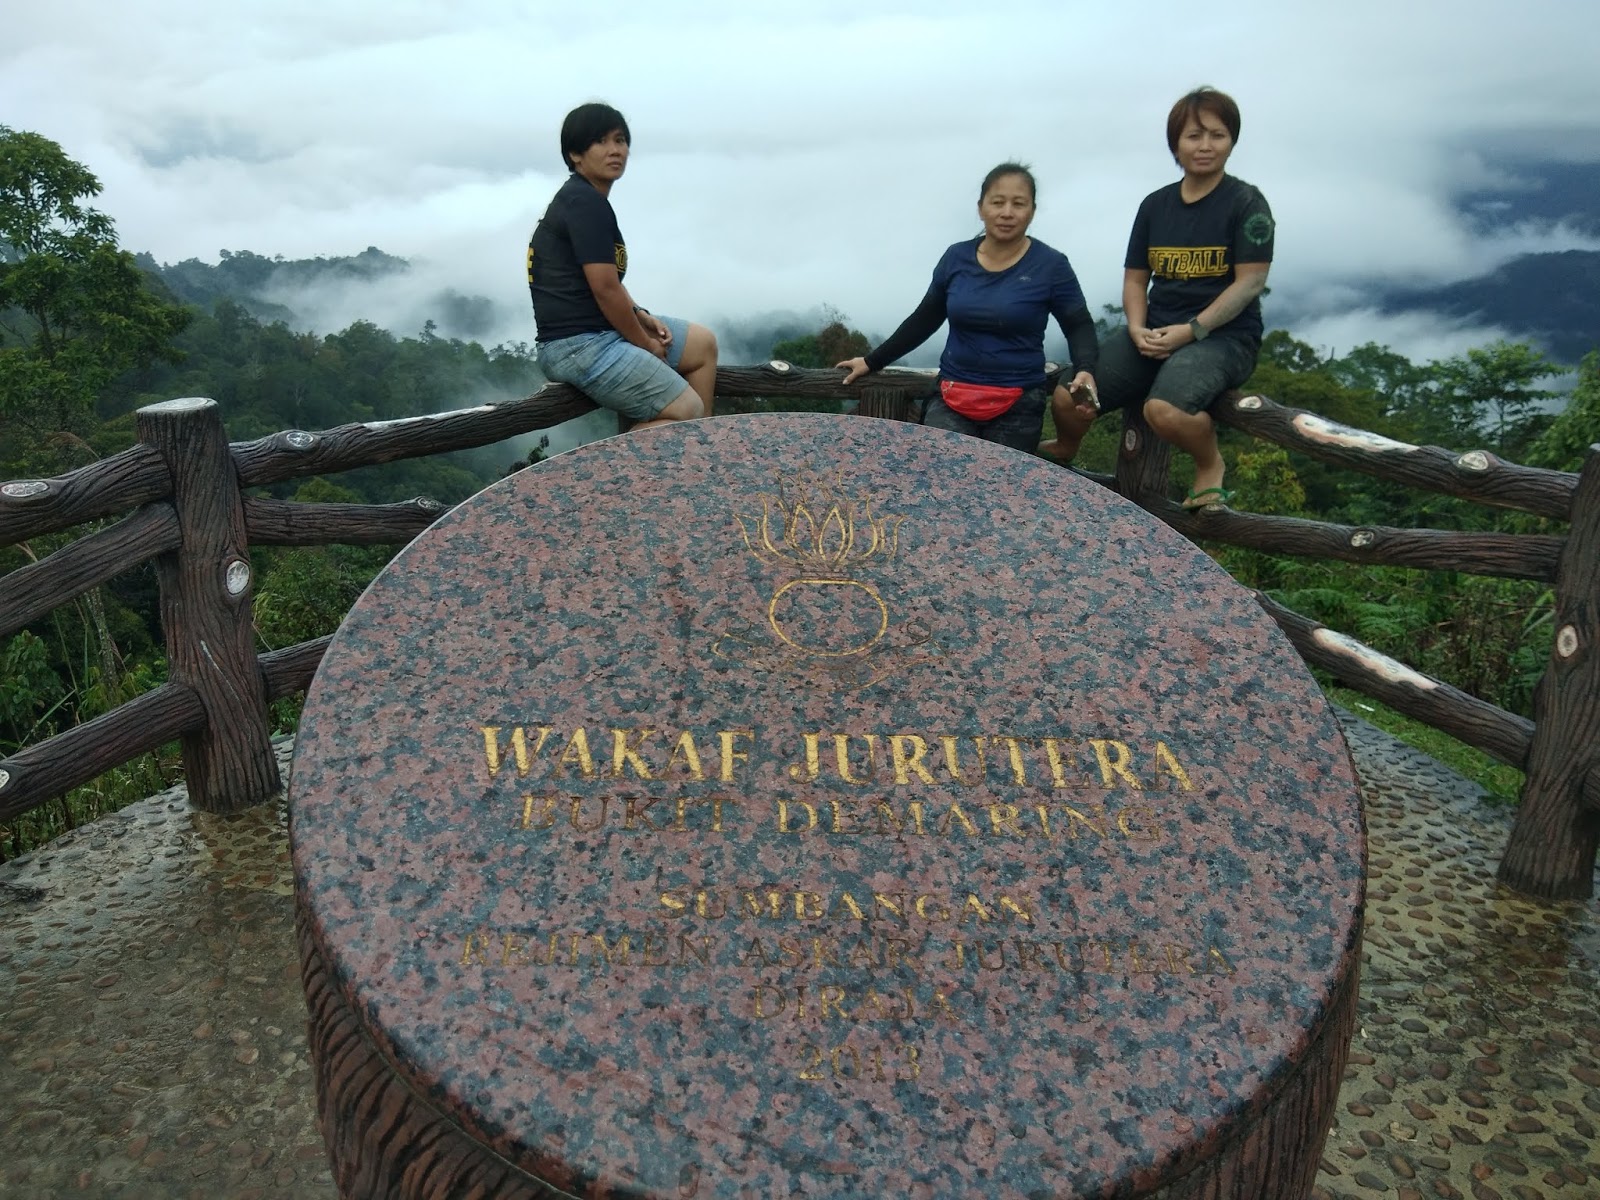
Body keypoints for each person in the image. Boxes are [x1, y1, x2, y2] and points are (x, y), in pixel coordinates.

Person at [1040, 86, 1274, 508]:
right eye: (1193, 136)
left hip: (1223, 338)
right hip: (1152, 332)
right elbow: (1134, 281)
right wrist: (1135, 328)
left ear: (1232, 140)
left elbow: (1250, 283)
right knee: (1067, 395)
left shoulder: (1246, 203)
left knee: (1163, 411)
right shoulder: (1156, 206)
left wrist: (1192, 330)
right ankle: (1067, 446)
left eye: (1217, 135)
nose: (1205, 146)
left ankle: (1210, 466)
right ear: (1175, 144)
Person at [837, 163, 1097, 451]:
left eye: (1018, 204)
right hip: (952, 394)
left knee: (1005, 487)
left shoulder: (1051, 265)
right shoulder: (956, 258)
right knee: (940, 479)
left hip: (1019, 399)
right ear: (981, 207)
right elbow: (926, 318)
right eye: (997, 202)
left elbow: (1078, 324)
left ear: (1032, 210)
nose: (1007, 212)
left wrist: (1085, 369)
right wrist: (872, 361)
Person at [528, 102, 717, 429]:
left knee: (702, 344)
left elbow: (608, 282)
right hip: (577, 345)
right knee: (687, 410)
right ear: (575, 154)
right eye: (600, 142)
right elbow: (604, 290)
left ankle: (699, 450)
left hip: (601, 332)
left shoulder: (587, 200)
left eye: (620, 140)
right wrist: (644, 344)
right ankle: (627, 469)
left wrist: (641, 315)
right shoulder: (583, 203)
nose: (615, 150)